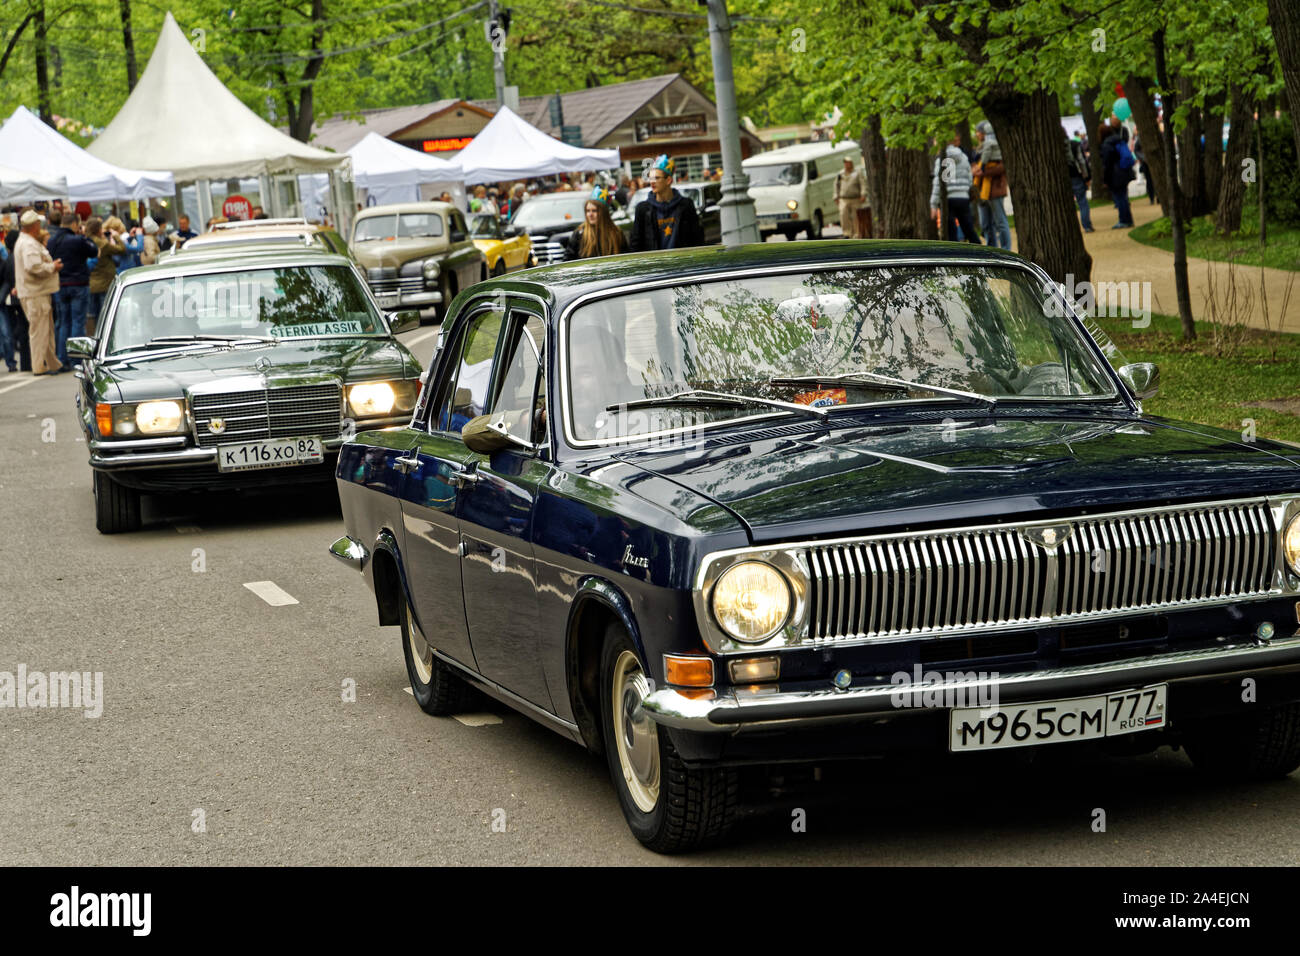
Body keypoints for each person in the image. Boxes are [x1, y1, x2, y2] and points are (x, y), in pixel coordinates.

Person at [14, 210, 63, 375]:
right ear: (34, 226)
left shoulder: (24, 241)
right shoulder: (28, 244)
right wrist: (52, 267)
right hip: (35, 293)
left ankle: (52, 363)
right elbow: (33, 267)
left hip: (34, 292)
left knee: (44, 329)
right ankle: (39, 366)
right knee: (40, 331)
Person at [45, 211, 96, 367]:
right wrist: (85, 236)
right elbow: (93, 251)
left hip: (60, 284)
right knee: (77, 321)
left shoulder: (51, 241)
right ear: (75, 224)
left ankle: (62, 357)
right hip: (78, 284)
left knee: (63, 322)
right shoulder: (78, 240)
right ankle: (76, 358)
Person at [630, 155, 704, 251]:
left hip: (681, 262)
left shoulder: (686, 205)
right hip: (654, 263)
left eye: (657, 178)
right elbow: (635, 243)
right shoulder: (643, 209)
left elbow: (696, 238)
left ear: (668, 180)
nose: (652, 182)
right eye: (650, 178)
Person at [930, 133, 978, 243]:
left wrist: (933, 204)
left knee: (951, 232)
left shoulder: (941, 159)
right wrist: (965, 190)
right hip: (963, 197)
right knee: (968, 229)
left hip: (948, 199)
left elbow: (938, 183)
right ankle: (980, 250)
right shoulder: (964, 157)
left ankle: (955, 255)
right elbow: (969, 177)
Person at [565, 187, 631, 260]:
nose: (590, 214)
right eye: (588, 211)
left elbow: (624, 258)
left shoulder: (616, 233)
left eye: (594, 211)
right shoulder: (579, 233)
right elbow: (568, 259)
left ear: (603, 213)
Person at [973, 121, 1011, 248]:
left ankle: (1006, 250)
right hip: (982, 191)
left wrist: (981, 172)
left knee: (1000, 222)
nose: (977, 134)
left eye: (978, 131)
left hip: (995, 189)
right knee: (985, 224)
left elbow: (1001, 167)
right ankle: (991, 249)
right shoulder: (979, 149)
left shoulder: (997, 147)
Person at [86, 217, 124, 335]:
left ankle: (94, 334)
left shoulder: (85, 241)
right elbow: (121, 249)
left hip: (91, 283)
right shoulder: (103, 244)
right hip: (105, 282)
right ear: (98, 230)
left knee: (93, 314)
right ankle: (105, 335)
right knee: (105, 313)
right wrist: (116, 236)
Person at [1099, 123, 1135, 228]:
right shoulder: (1118, 140)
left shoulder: (1107, 145)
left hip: (1115, 174)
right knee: (1123, 197)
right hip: (1123, 171)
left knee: (1119, 198)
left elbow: (1107, 164)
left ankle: (1124, 220)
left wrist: (1105, 179)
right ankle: (1127, 219)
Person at [1066, 127, 1094, 233]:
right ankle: (1087, 225)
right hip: (1076, 176)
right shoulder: (1074, 144)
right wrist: (1086, 177)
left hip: (1064, 179)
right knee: (1082, 202)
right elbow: (1081, 161)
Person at [833, 156, 867, 238]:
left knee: (856, 217)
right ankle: (847, 233)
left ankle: (857, 233)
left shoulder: (857, 173)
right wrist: (836, 196)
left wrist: (863, 194)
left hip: (855, 198)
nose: (847, 165)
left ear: (851, 163)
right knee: (843, 215)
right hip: (844, 199)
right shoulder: (840, 174)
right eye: (845, 163)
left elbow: (863, 184)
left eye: (848, 163)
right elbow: (836, 185)